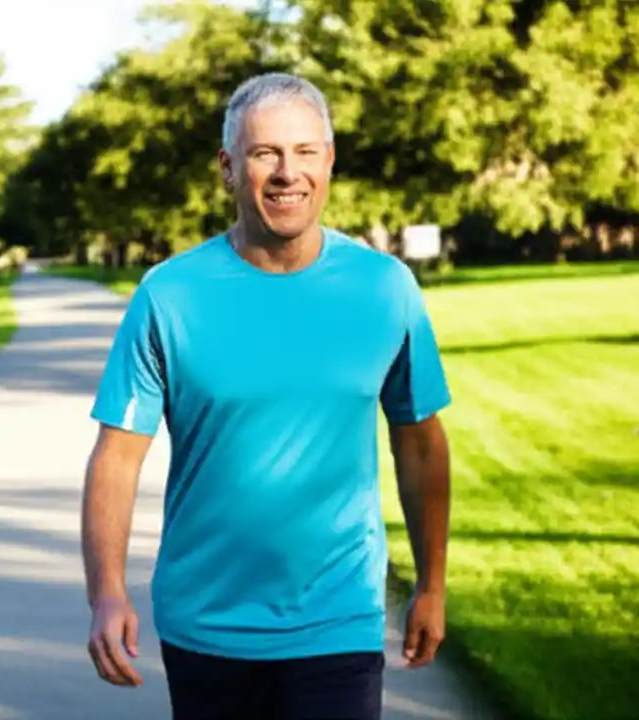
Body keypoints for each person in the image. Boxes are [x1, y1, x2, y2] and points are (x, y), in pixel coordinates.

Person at [80, 72, 453, 719]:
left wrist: (433, 585)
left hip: (338, 618)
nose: (288, 172)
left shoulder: (384, 288)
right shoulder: (168, 296)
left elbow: (420, 443)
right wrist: (106, 592)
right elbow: (116, 455)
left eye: (305, 151)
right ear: (228, 169)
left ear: (329, 161)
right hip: (206, 625)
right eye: (265, 153)